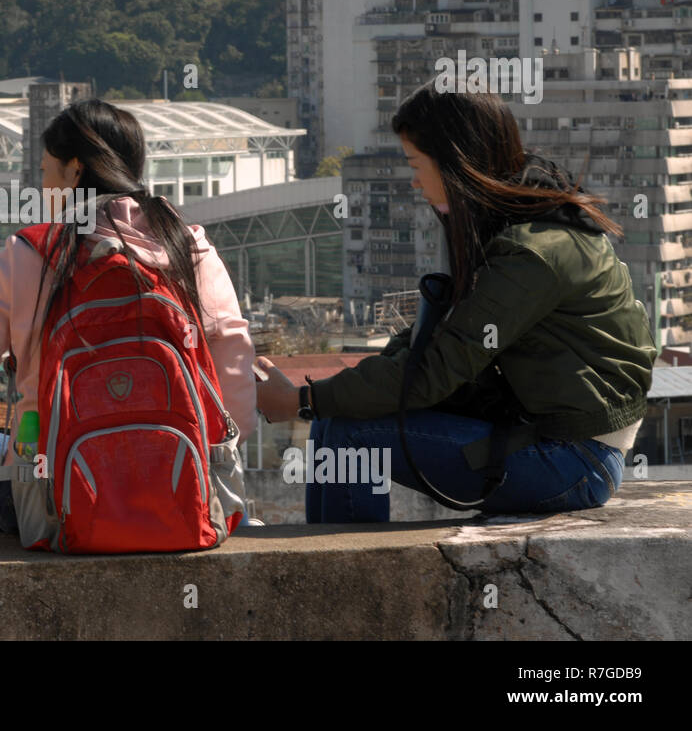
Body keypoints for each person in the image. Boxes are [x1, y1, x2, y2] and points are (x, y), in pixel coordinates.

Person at [257, 81, 657, 522]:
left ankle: (343, 565)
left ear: (456, 162)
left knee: (350, 436)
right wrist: (320, 397)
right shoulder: (512, 224)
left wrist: (301, 401)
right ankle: (330, 557)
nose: (414, 181)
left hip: (575, 458)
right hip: (547, 436)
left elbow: (433, 372)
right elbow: (429, 344)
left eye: (416, 164)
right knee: (337, 419)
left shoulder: (532, 252)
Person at [0, 99, 259, 534]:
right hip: (186, 501)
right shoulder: (189, 247)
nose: (43, 186)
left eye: (45, 172)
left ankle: (14, 571)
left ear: (74, 170)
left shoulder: (31, 254)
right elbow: (235, 385)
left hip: (59, 505)